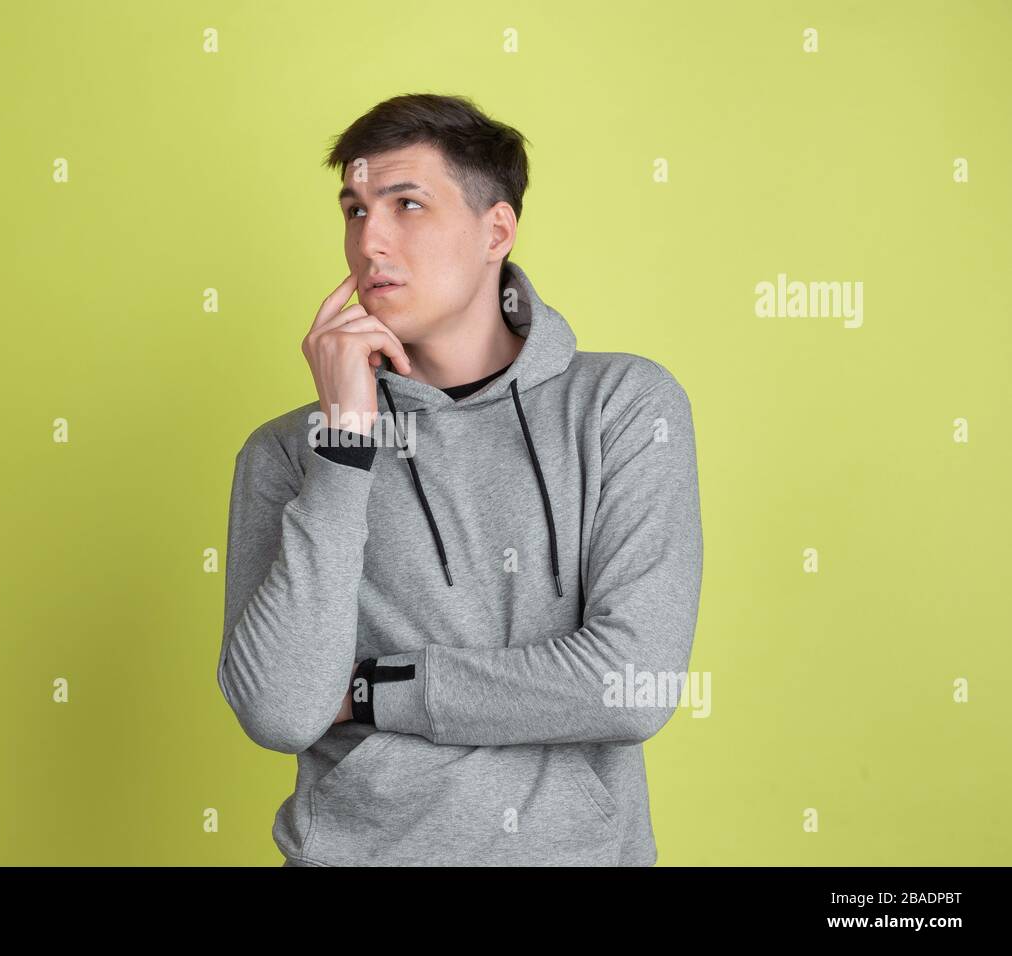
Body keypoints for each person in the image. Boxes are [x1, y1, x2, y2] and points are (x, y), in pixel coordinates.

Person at [217, 93, 703, 866]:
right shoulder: (287, 451)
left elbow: (631, 684)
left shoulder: (623, 407)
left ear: (496, 231)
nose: (369, 239)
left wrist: (372, 690)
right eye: (354, 208)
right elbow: (280, 710)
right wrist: (345, 443)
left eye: (406, 204)